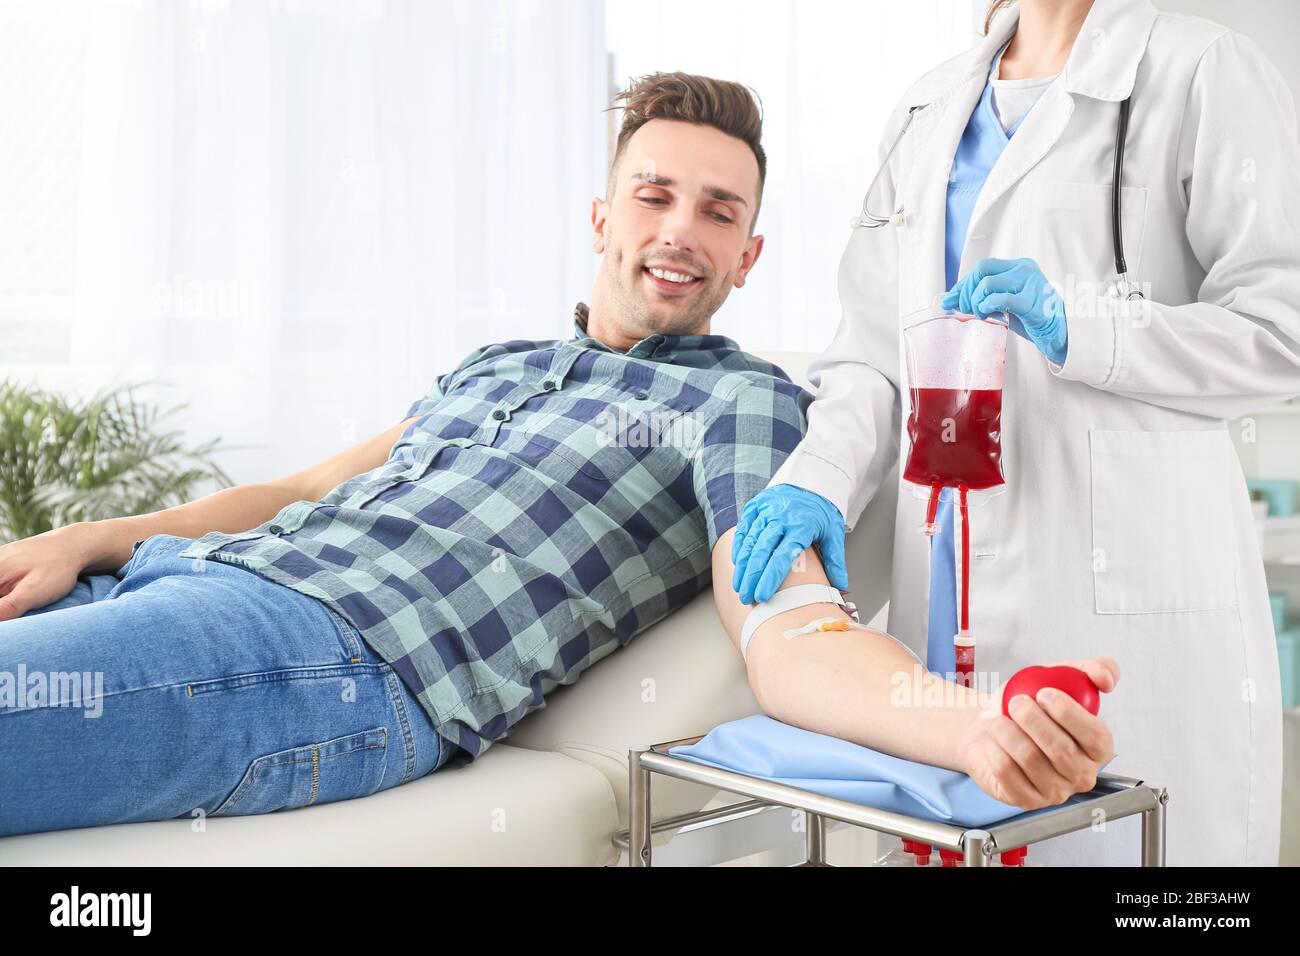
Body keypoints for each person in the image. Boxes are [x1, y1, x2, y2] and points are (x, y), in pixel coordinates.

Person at [0, 71, 812, 837]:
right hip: (189, 574)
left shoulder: (742, 400)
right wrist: (87, 539)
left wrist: (934, 724)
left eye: (718, 212)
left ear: (749, 255)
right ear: (603, 219)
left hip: (336, 655)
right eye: (655, 196)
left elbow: (783, 610)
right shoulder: (502, 364)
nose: (679, 230)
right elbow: (307, 485)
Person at [731, 0, 1300, 865]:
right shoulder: (928, 107)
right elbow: (871, 359)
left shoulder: (1201, 70)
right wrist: (818, 477)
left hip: (1133, 593)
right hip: (947, 584)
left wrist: (1086, 330)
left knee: (1143, 868)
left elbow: (1283, 333)